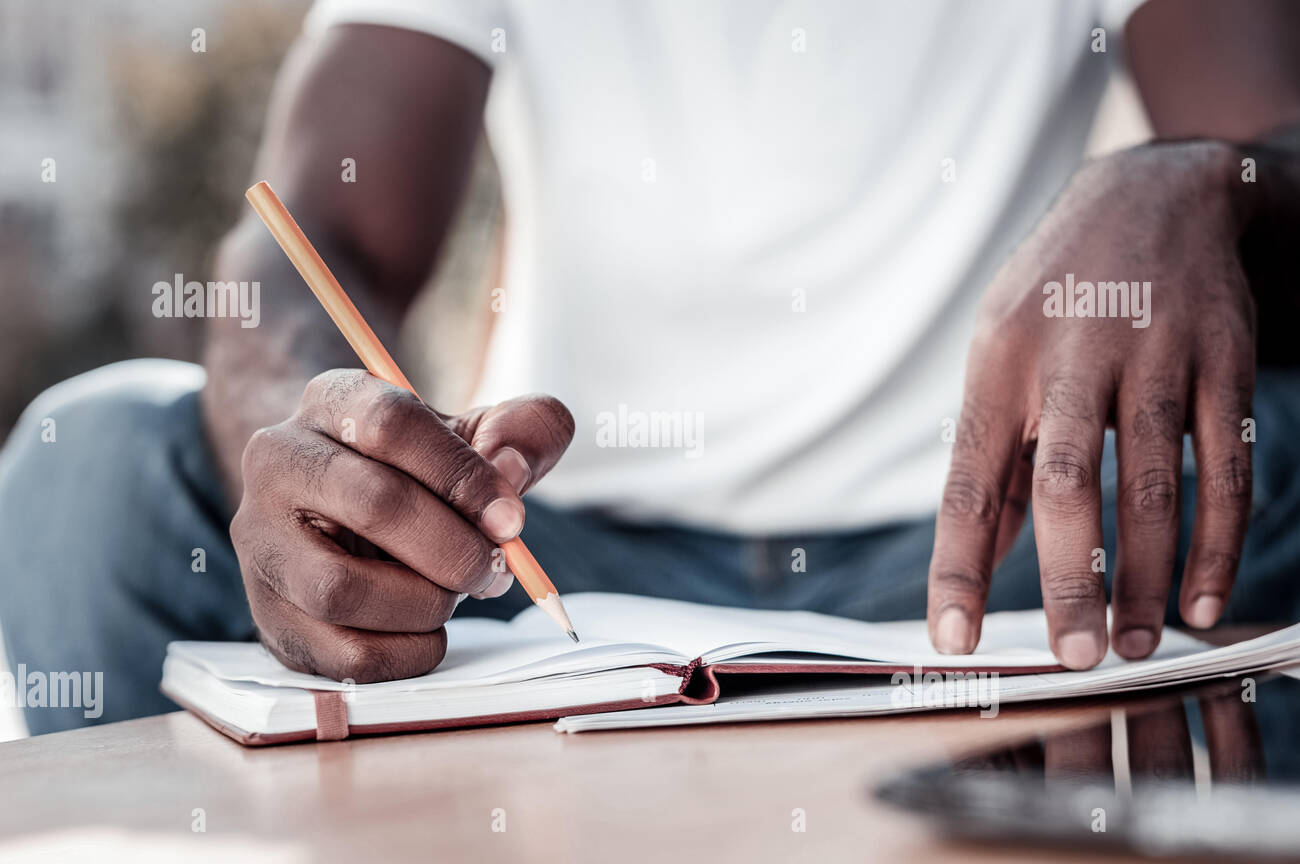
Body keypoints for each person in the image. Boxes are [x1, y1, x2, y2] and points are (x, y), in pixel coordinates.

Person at [3, 0, 1299, 734]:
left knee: (1279, 441)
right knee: (98, 459)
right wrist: (319, 446)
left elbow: (1268, 135)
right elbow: (304, 237)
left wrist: (1208, 176)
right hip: (542, 574)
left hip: (1004, 550)